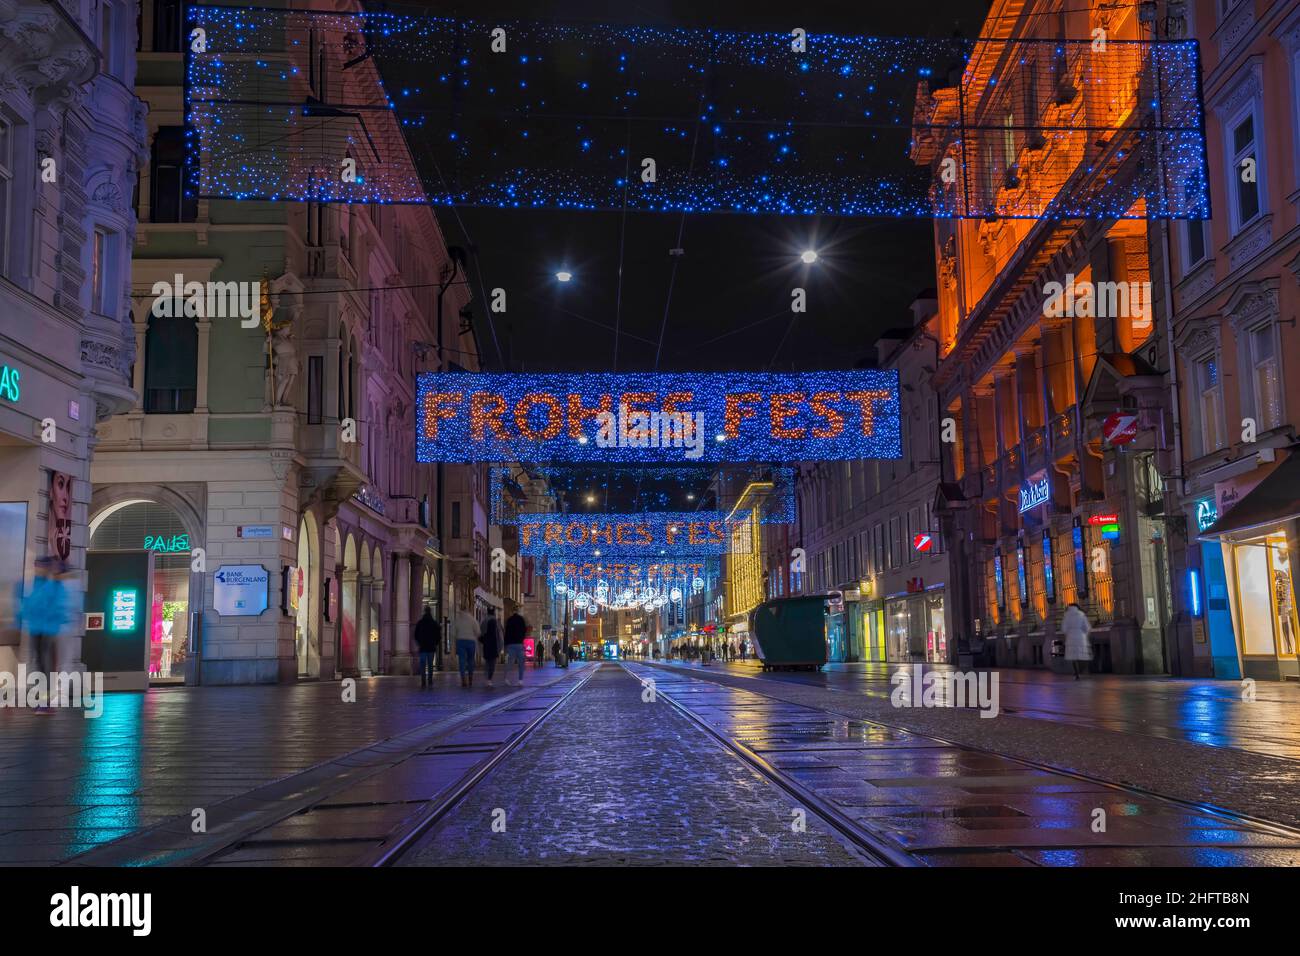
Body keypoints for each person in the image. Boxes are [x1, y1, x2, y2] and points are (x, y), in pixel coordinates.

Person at [16, 556, 72, 712]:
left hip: (48, 629)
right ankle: (43, 700)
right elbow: (29, 605)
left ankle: (45, 701)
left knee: (45, 665)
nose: (39, 569)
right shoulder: (36, 584)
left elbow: (53, 607)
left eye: (41, 566)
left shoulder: (52, 586)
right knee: (40, 664)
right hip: (37, 628)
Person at [1062, 602, 1092, 679]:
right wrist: (1085, 633)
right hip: (1081, 637)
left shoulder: (1067, 615)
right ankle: (1082, 670)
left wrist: (1068, 633)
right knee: (1082, 655)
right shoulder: (1081, 614)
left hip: (1071, 638)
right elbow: (1087, 627)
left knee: (1073, 657)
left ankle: (1076, 673)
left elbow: (1064, 629)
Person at [453, 602, 479, 688]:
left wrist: (455, 641)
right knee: (471, 660)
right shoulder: (472, 619)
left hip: (460, 641)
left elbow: (453, 632)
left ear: (460, 610)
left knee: (462, 660)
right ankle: (470, 678)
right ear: (467, 610)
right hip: (471, 642)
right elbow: (478, 632)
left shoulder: (458, 619)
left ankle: (463, 678)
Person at [413, 606, 439, 689]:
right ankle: (430, 679)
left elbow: (416, 634)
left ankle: (423, 680)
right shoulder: (434, 623)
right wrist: (435, 643)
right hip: (431, 647)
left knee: (423, 664)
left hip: (423, 647)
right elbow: (438, 635)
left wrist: (419, 642)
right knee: (430, 664)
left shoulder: (420, 622)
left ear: (424, 612)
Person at [503, 608, 527, 686]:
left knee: (509, 662)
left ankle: (506, 679)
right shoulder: (521, 619)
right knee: (521, 663)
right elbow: (524, 630)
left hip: (510, 644)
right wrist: (522, 639)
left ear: (512, 612)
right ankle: (520, 680)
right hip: (519, 644)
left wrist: (506, 644)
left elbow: (506, 633)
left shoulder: (509, 620)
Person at [479, 608, 502, 687]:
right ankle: (489, 679)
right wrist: (500, 647)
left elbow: (480, 634)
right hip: (494, 645)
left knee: (487, 662)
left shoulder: (483, 621)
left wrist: (483, 642)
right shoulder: (497, 623)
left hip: (486, 645)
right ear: (494, 613)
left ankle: (487, 678)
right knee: (492, 663)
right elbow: (500, 636)